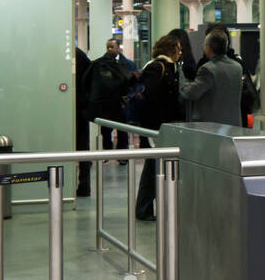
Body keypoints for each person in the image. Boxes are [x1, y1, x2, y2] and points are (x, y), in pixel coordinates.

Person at [134, 34, 185, 222]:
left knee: (155, 166)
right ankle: (144, 209)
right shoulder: (158, 68)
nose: (181, 52)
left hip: (161, 126)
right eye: (178, 48)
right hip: (156, 127)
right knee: (152, 167)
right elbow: (155, 99)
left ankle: (147, 208)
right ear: (170, 49)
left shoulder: (163, 67)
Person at [180, 29, 243, 125]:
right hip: (233, 125)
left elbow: (190, 93)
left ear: (209, 48)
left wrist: (181, 77)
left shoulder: (208, 69)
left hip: (213, 128)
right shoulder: (237, 68)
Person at [86, 39, 135, 155]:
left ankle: (122, 155)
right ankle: (107, 151)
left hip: (120, 103)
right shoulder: (98, 64)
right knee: (105, 130)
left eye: (112, 47)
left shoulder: (127, 64)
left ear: (119, 48)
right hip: (105, 103)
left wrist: (128, 96)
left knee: (122, 130)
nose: (110, 49)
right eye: (108, 47)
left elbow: (132, 83)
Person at [74, 45, 93, 197]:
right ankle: (84, 184)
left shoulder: (75, 55)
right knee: (82, 146)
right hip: (80, 107)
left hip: (75, 106)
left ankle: (83, 183)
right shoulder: (81, 56)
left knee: (80, 145)